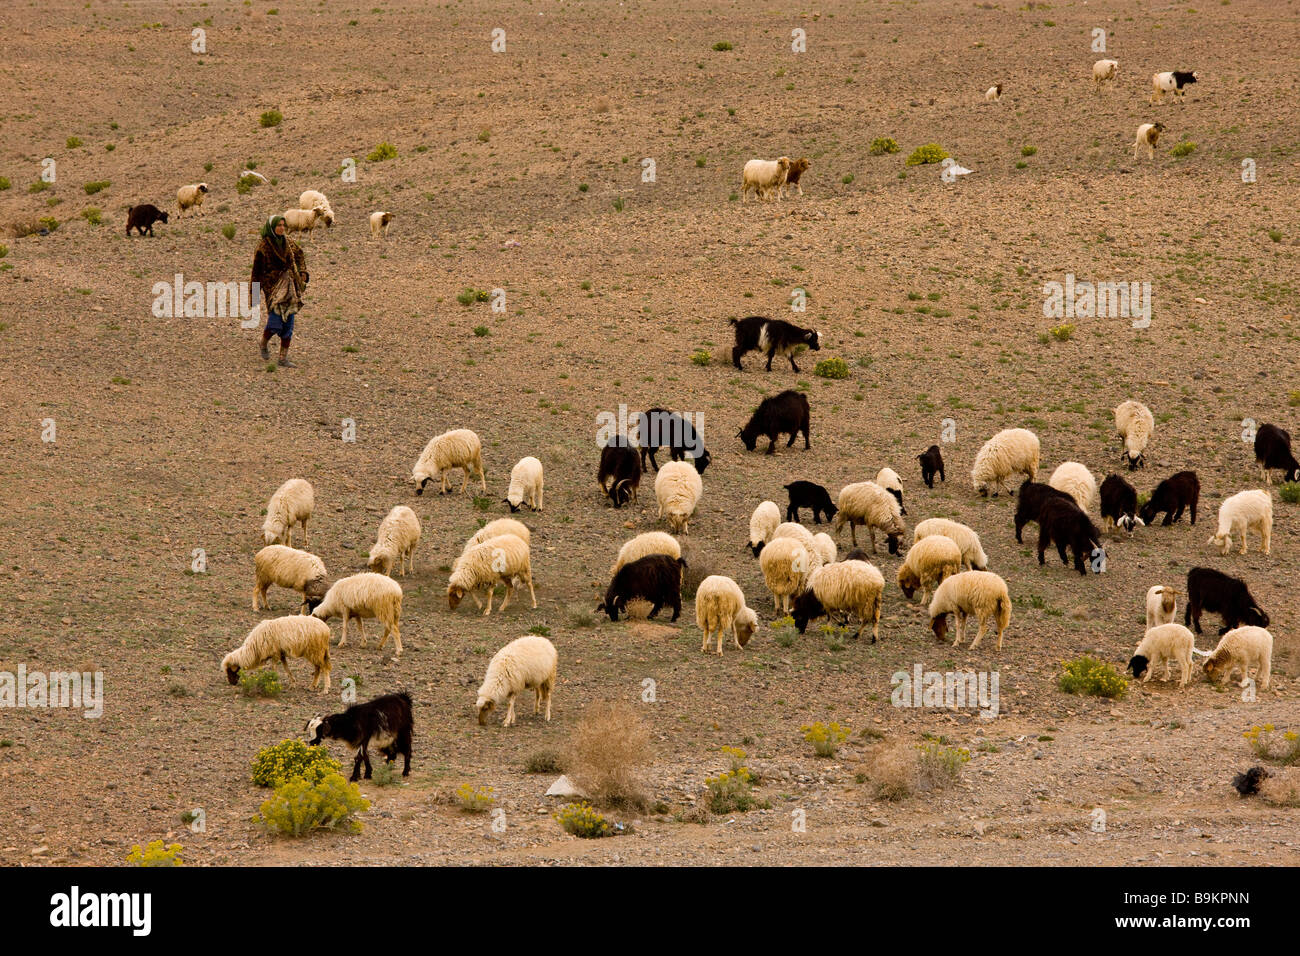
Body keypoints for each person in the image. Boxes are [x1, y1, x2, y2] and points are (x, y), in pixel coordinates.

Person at [250, 214, 309, 367]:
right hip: (273, 288)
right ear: (271, 227)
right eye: (278, 225)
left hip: (290, 286)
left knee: (289, 322)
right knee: (275, 322)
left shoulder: (288, 242)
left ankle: (283, 358)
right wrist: (254, 296)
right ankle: (263, 342)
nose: (282, 228)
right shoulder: (263, 247)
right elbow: (256, 273)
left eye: (283, 225)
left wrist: (302, 272)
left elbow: (299, 254)